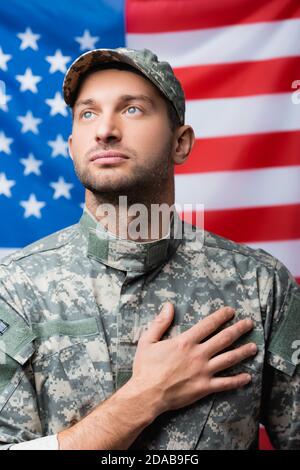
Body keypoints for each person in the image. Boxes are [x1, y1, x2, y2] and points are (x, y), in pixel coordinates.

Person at [0, 47, 299, 451]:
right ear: (72, 146)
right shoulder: (14, 288)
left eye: (133, 109)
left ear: (181, 143)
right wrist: (145, 397)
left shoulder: (262, 285)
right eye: (88, 113)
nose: (105, 129)